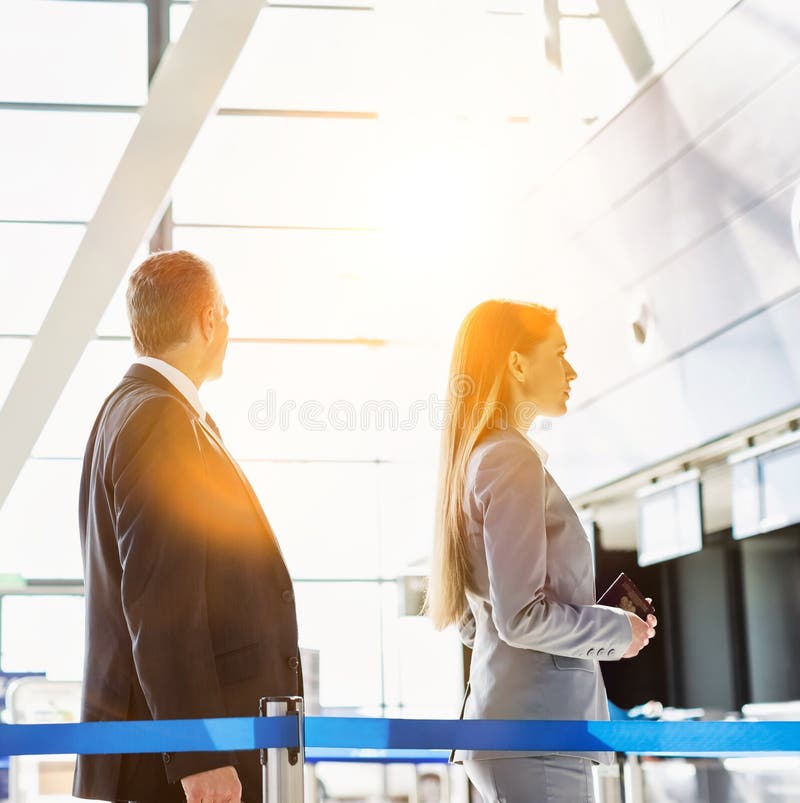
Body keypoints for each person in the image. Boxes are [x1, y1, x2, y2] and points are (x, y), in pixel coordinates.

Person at [73, 250, 301, 803]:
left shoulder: (125, 410)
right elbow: (162, 604)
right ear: (206, 320)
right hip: (179, 767)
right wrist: (200, 755)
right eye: (224, 312)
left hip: (160, 752)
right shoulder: (160, 419)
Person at [427, 299, 657, 803]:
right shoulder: (509, 459)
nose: (572, 370)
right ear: (516, 364)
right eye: (558, 354)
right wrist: (618, 630)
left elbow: (479, 621)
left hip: (520, 731)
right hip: (535, 734)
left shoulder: (483, 458)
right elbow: (520, 618)